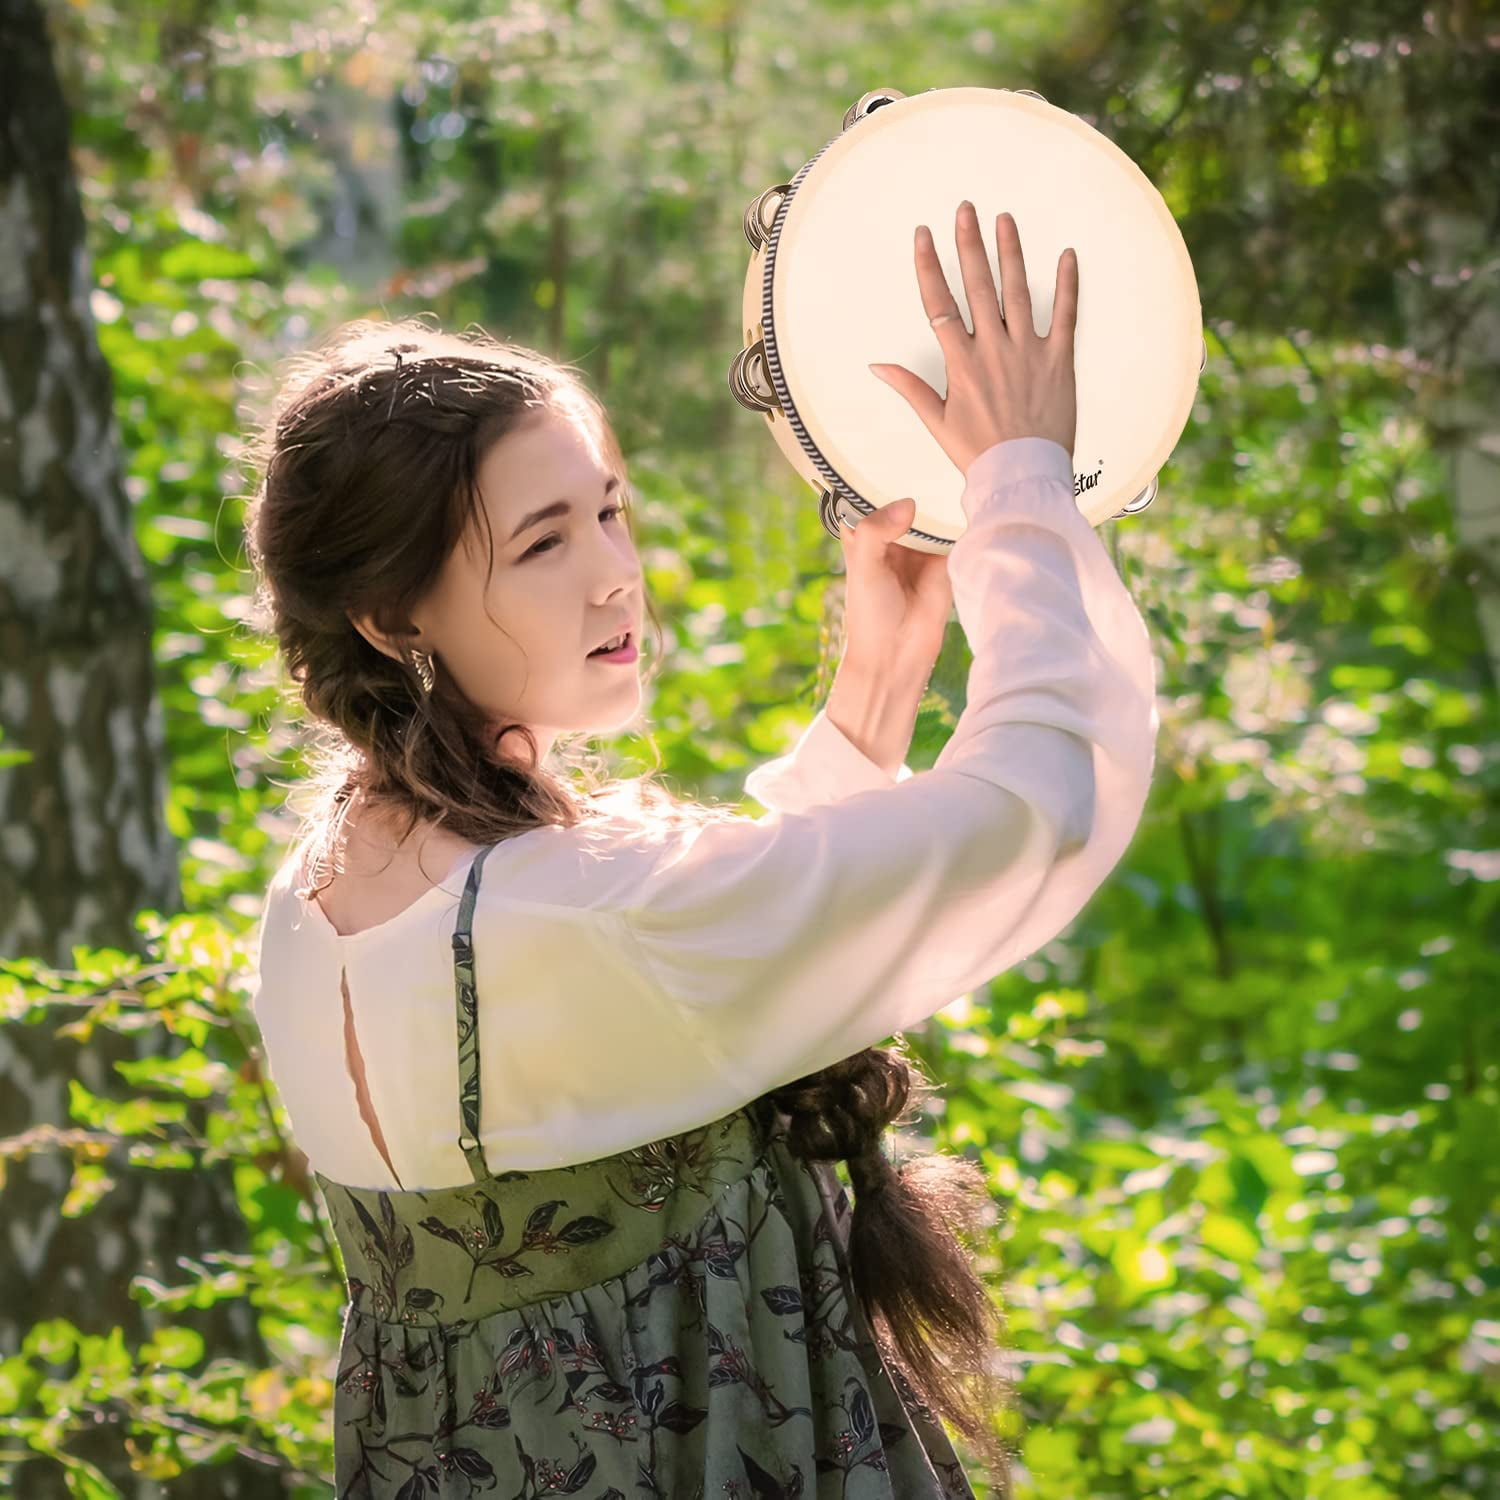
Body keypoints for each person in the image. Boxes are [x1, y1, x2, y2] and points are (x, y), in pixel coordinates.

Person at [242, 203, 1157, 1499]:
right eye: (545, 542)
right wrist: (1020, 483)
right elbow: (1039, 806)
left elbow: (672, 1000)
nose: (616, 574)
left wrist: (874, 696)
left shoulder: (317, 902)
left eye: (609, 513)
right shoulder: (581, 913)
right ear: (394, 617)